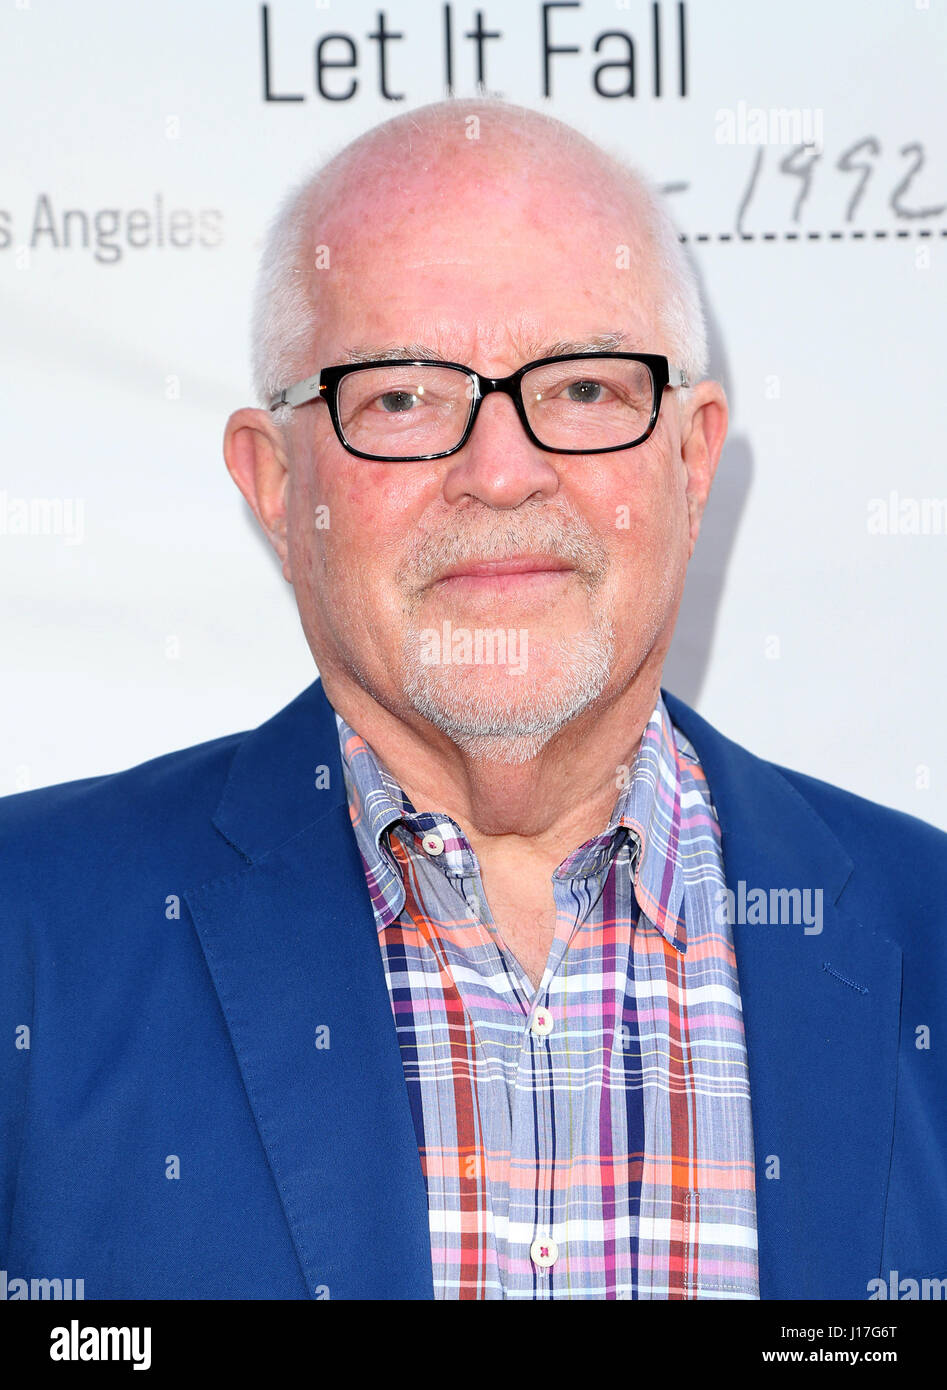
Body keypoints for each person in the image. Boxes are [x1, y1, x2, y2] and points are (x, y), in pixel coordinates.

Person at [2, 97, 944, 1303]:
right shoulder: (23, 934)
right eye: (401, 397)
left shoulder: (930, 939)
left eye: (587, 389)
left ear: (692, 460)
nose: (501, 472)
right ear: (276, 484)